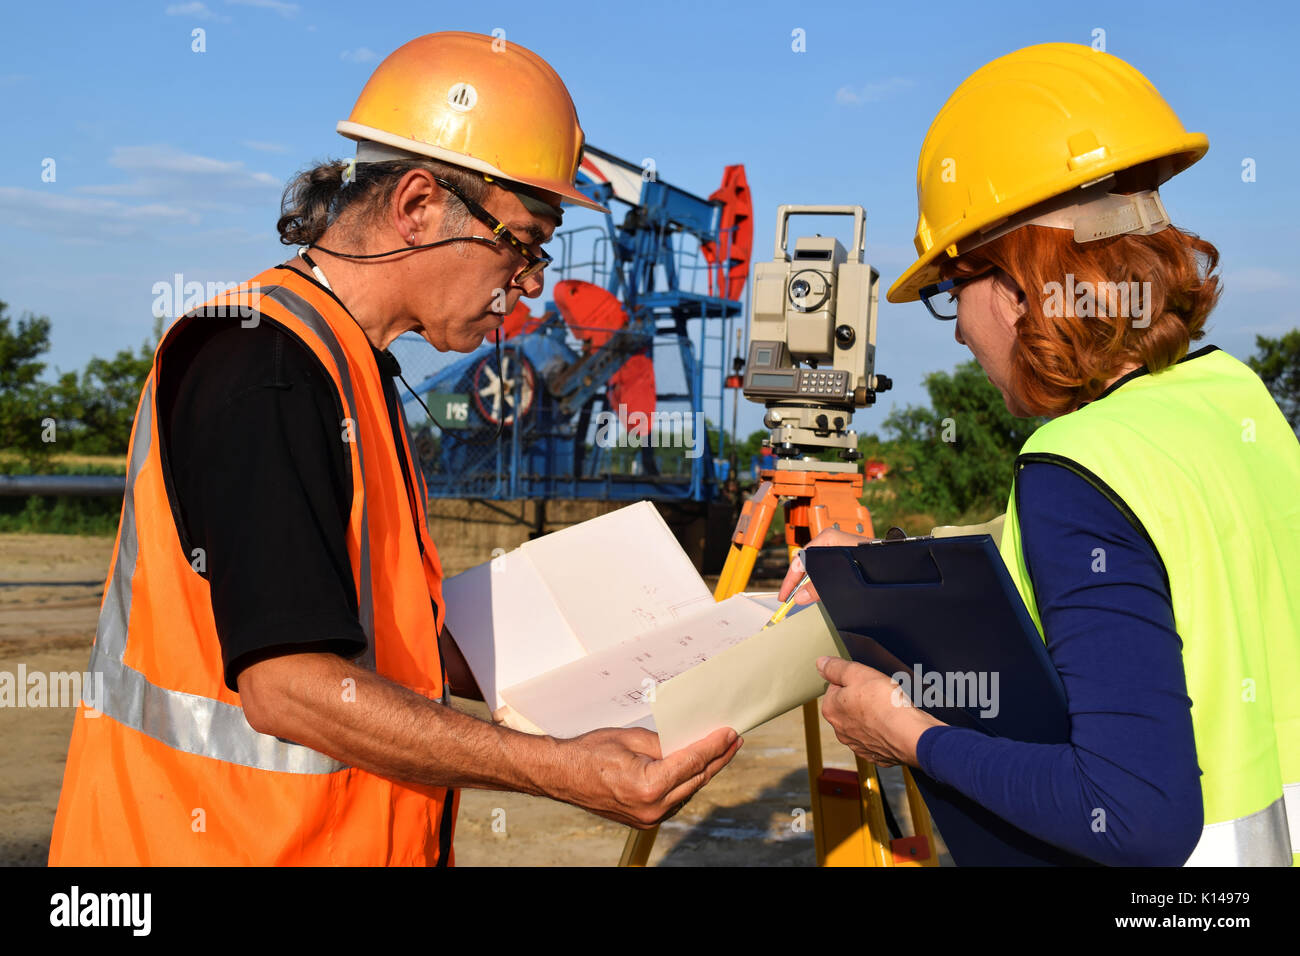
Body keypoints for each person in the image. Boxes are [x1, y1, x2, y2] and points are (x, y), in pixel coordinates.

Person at [48, 31, 740, 866]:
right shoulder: (264, 365)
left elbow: (379, 637)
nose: (530, 283)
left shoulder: (351, 366)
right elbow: (288, 685)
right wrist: (557, 770)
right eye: (521, 242)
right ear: (417, 206)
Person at [780, 43, 1300, 866]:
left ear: (1022, 283)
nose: (955, 328)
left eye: (955, 288)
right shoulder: (1230, 401)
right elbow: (1137, 557)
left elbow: (1133, 817)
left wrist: (905, 731)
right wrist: (880, 561)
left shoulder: (1073, 465)